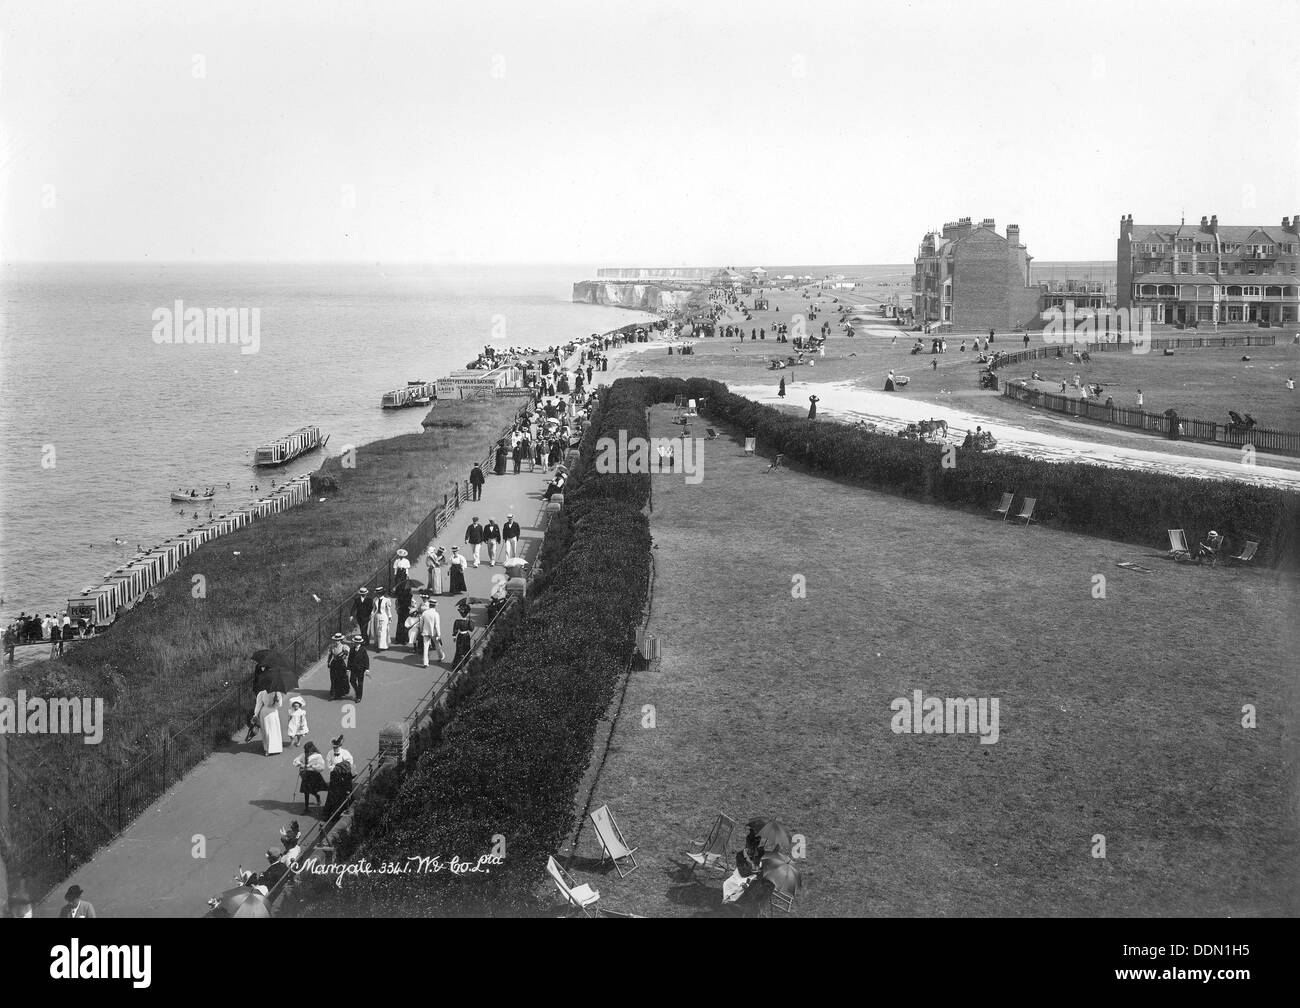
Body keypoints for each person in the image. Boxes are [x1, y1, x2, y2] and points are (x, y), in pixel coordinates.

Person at [293, 741, 328, 812]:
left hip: (314, 775)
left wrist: (313, 766)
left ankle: (317, 796)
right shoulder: (304, 754)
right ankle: (306, 808)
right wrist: (300, 764)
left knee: (313, 789)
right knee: (306, 791)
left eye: (308, 750)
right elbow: (295, 761)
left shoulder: (318, 756)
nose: (307, 752)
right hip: (306, 775)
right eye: (306, 750)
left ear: (312, 749)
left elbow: (322, 767)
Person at [253, 684, 284, 755]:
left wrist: (255, 714)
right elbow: (279, 705)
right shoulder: (277, 693)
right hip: (273, 712)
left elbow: (258, 705)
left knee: (266, 731)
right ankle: (276, 748)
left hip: (264, 713)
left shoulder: (262, 693)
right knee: (275, 730)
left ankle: (267, 750)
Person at [418, 600, 443, 667]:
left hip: (425, 632)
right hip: (433, 633)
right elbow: (437, 625)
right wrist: (439, 634)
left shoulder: (424, 613)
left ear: (429, 605)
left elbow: (421, 623)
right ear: (435, 605)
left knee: (425, 647)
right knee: (437, 645)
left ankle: (425, 663)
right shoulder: (436, 614)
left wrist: (421, 630)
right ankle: (441, 656)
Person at [326, 633, 350, 700]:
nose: (337, 642)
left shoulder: (344, 646)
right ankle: (333, 694)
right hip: (334, 664)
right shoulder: (332, 647)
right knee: (333, 678)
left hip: (341, 664)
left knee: (341, 678)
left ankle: (341, 692)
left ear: (341, 640)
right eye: (336, 640)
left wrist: (344, 655)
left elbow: (347, 653)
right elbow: (330, 655)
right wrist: (328, 662)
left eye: (338, 640)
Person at [451, 602, 474, 667]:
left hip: (460, 636)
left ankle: (458, 665)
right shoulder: (468, 621)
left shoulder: (457, 621)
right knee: (467, 649)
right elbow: (471, 629)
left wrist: (454, 636)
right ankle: (466, 663)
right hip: (466, 636)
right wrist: (470, 621)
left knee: (459, 650)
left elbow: (455, 630)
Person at [347, 634, 369, 702]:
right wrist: (348, 668)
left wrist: (367, 669)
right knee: (352, 681)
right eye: (355, 642)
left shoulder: (363, 650)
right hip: (353, 668)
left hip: (361, 669)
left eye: (358, 642)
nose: (356, 643)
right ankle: (357, 691)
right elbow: (349, 659)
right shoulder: (352, 649)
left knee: (360, 683)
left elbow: (366, 659)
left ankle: (359, 697)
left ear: (360, 643)